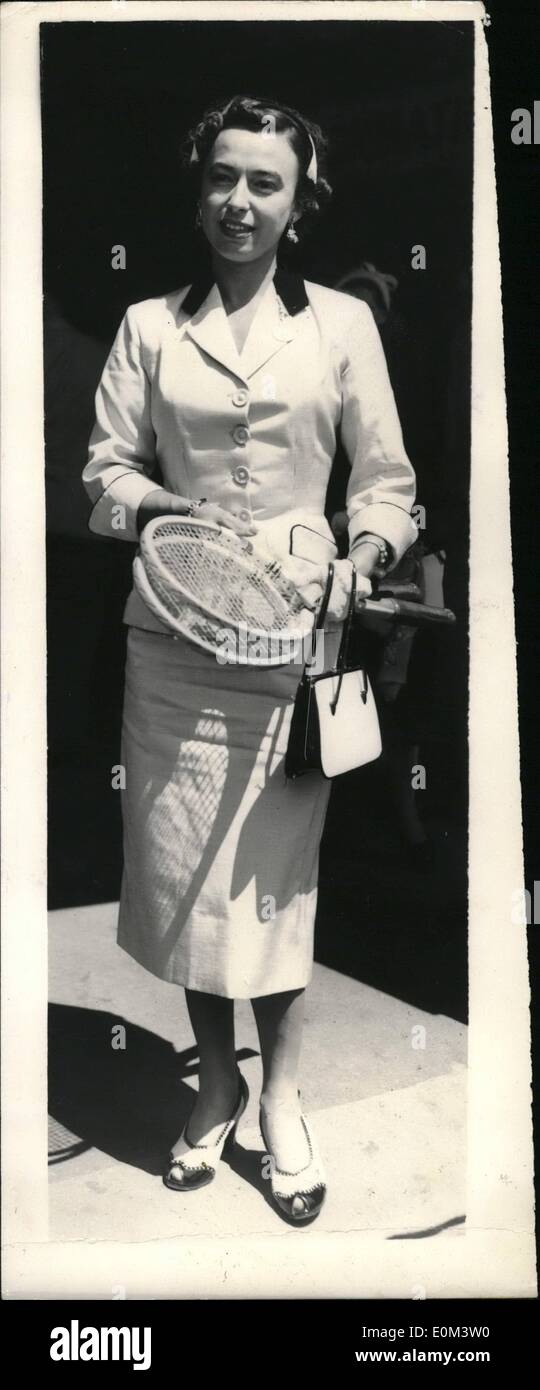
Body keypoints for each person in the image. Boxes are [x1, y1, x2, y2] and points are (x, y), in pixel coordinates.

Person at [82, 94, 417, 1224]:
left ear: (298, 203)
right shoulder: (147, 326)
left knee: (273, 886)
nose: (239, 200)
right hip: (174, 643)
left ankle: (281, 1097)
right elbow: (104, 474)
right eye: (222, 178)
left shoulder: (341, 326)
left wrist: (363, 555)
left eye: (264, 182)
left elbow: (387, 482)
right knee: (188, 879)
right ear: (199, 192)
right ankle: (215, 1084)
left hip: (291, 642)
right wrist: (172, 509)